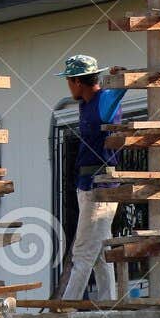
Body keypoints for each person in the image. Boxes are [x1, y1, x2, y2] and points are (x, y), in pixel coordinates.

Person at [58, 53, 127, 301]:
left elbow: (120, 88)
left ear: (77, 81)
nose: (68, 86)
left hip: (101, 186)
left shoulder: (103, 100)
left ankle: (68, 305)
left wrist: (119, 76)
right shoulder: (86, 104)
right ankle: (109, 303)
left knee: (83, 251)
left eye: (69, 81)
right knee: (100, 252)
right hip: (87, 184)